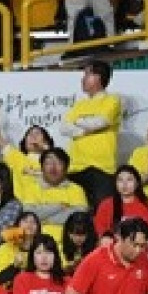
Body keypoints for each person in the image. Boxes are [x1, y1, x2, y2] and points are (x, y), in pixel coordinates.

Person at [60, 60, 120, 208]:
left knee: (102, 212)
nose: (83, 79)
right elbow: (64, 128)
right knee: (77, 212)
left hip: (102, 168)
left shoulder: (112, 100)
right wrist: (84, 128)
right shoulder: (80, 104)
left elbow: (99, 122)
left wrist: (78, 123)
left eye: (87, 74)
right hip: (76, 167)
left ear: (99, 77)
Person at [0, 99, 55, 202]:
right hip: (23, 208)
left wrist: (46, 149)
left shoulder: (53, 161)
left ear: (46, 140)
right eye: (29, 134)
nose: (33, 137)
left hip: (47, 207)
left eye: (37, 134)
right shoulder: (16, 156)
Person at [21, 147, 89, 246]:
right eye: (48, 163)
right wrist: (60, 206)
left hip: (69, 244)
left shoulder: (76, 189)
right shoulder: (32, 188)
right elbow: (30, 216)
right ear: (41, 167)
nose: (53, 167)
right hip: (37, 245)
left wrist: (44, 218)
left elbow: (79, 218)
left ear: (66, 168)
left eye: (58, 163)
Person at [93, 165, 148, 240]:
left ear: (137, 183)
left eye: (129, 180)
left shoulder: (146, 205)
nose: (124, 184)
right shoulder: (105, 205)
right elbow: (101, 232)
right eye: (120, 180)